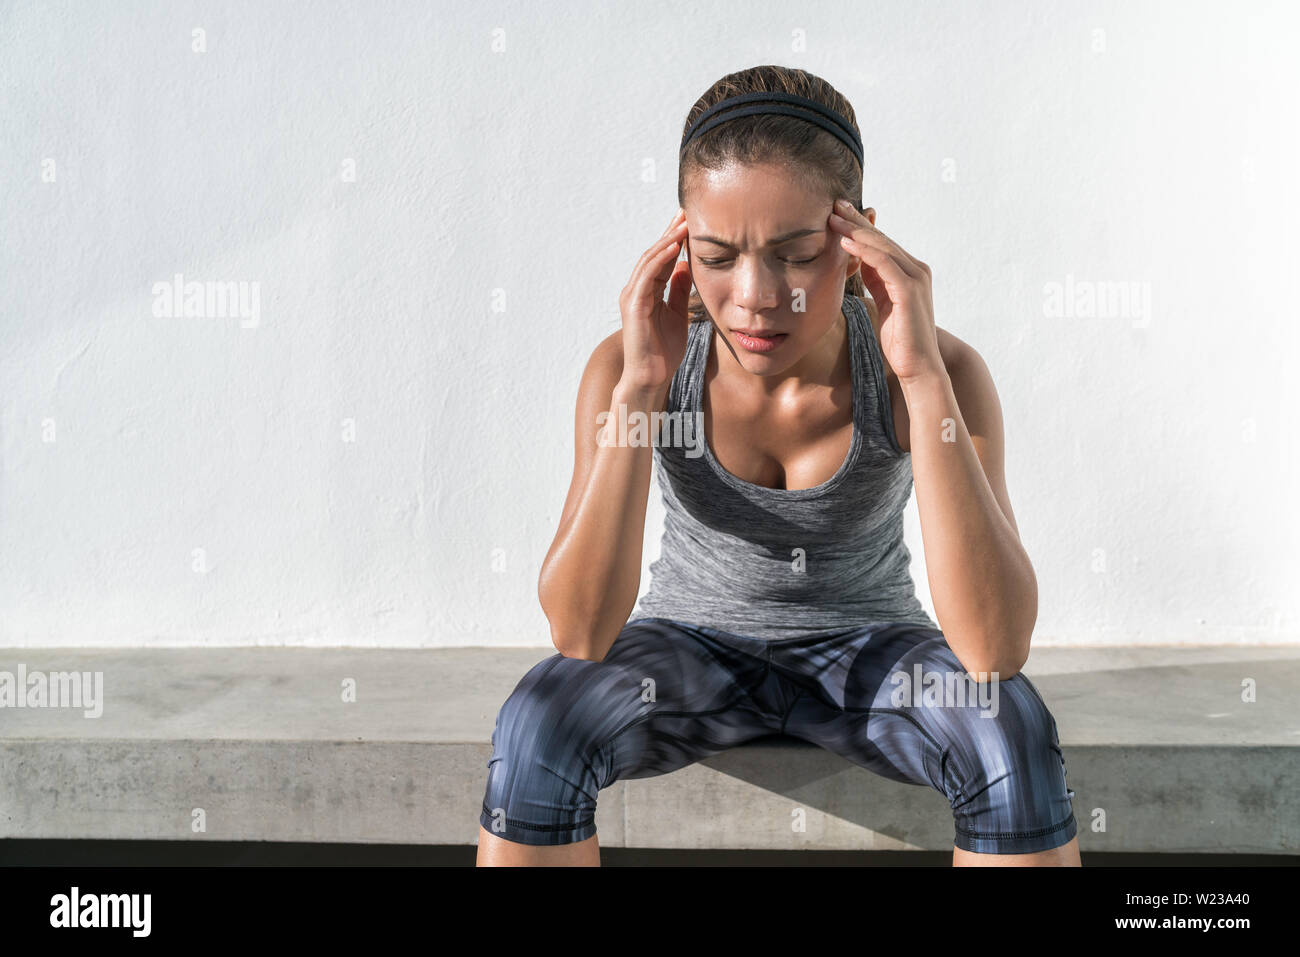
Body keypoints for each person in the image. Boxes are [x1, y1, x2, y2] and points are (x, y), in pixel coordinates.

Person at [476, 65, 1081, 866]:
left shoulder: (939, 374)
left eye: (795, 254)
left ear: (858, 241)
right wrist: (646, 383)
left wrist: (923, 377)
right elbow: (581, 631)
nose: (757, 295)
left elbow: (994, 647)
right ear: (680, 249)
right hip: (688, 648)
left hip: (874, 651)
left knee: (1010, 728)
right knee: (537, 720)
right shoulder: (629, 369)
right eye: (719, 255)